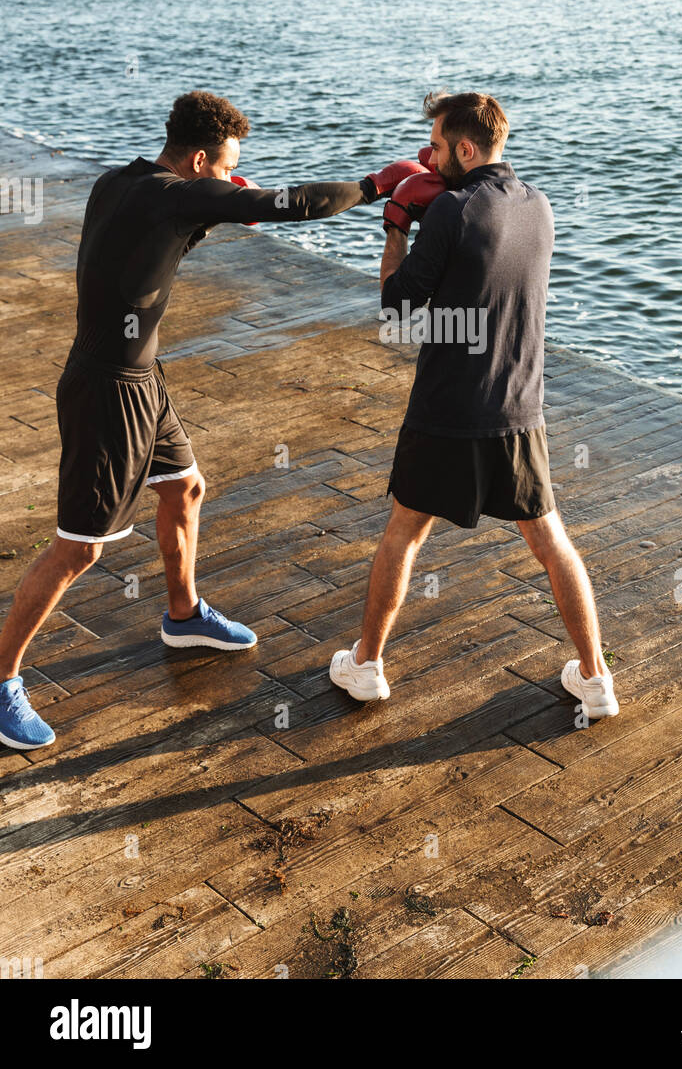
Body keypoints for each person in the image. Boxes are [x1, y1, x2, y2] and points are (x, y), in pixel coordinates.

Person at [0, 90, 424, 750]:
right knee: (79, 549)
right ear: (199, 159)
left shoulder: (124, 182)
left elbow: (160, 235)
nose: (229, 177)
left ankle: (182, 614)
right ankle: (1, 680)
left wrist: (221, 205)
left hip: (142, 380)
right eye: (225, 168)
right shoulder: (180, 194)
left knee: (186, 487)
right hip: (107, 393)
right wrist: (378, 185)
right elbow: (293, 204)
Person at [330, 91, 619, 724]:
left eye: (435, 146)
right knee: (551, 541)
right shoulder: (540, 207)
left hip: (446, 411)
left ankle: (367, 665)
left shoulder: (451, 212)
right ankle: (596, 680)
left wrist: (399, 220)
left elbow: (397, 307)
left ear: (464, 148)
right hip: (520, 410)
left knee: (404, 533)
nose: (427, 157)